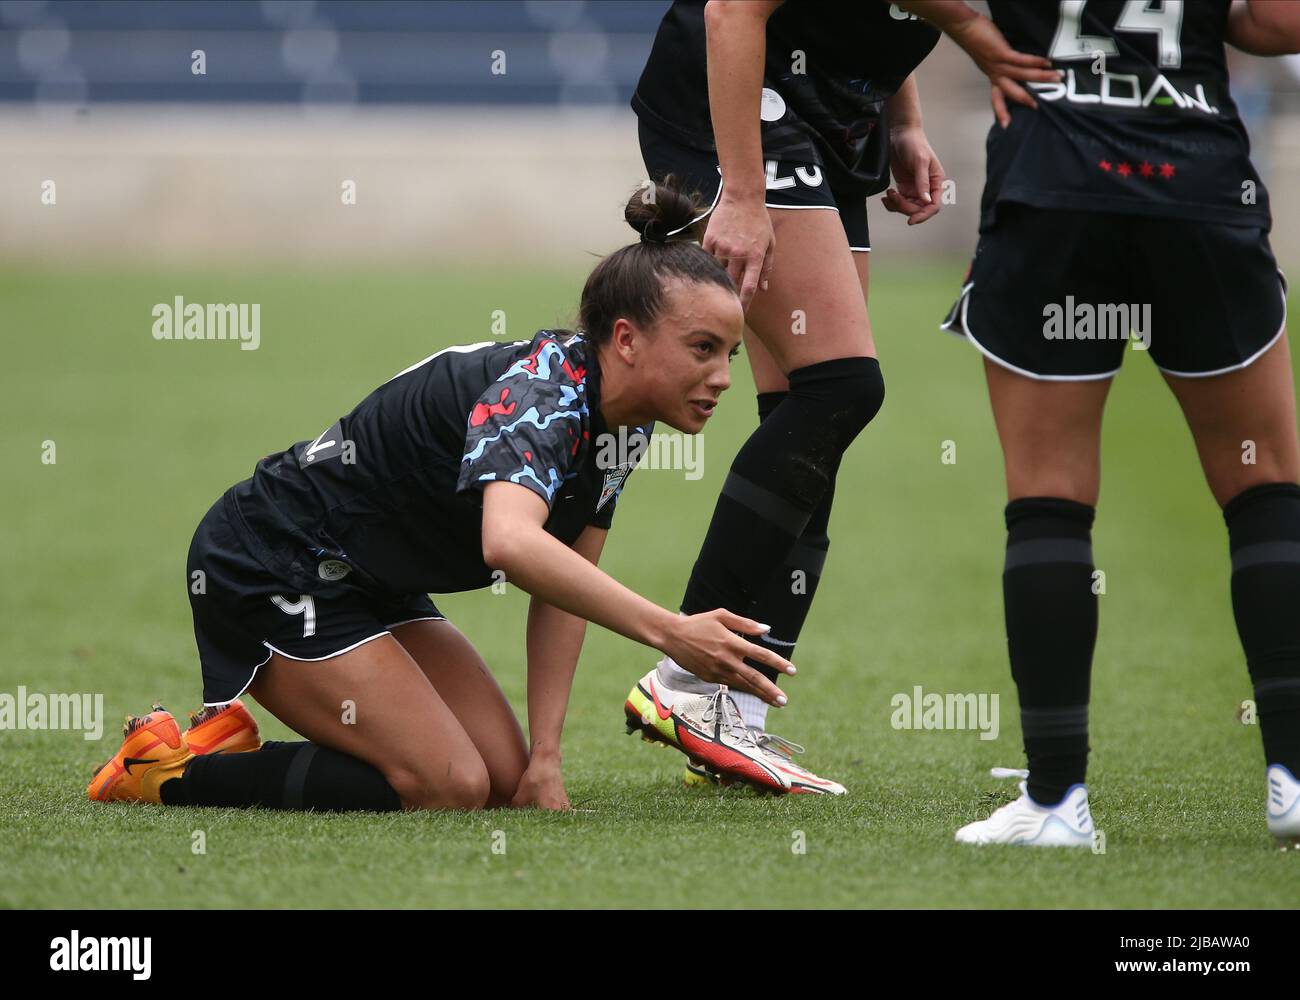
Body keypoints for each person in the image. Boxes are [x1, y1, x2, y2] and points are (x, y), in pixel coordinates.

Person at [86, 180, 802, 813]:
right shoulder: (542, 394)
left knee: (502, 777)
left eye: (731, 355)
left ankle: (243, 742)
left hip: (372, 582)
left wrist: (546, 760)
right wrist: (671, 632)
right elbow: (510, 543)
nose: (723, 377)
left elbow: (562, 588)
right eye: (703, 348)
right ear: (625, 340)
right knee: (451, 785)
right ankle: (175, 770)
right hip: (276, 561)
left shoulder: (626, 419)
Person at [625, 0, 1057, 793]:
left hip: (828, 111)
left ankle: (736, 716)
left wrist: (902, 122)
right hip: (734, 96)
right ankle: (687, 677)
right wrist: (745, 195)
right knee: (843, 386)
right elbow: (731, 10)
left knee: (806, 403)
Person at [910, 0, 1300, 844]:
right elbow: (1274, 21)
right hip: (1198, 181)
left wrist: (975, 33)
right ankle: (1294, 777)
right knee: (1264, 483)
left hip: (1056, 182)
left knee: (1048, 494)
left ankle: (1056, 801)